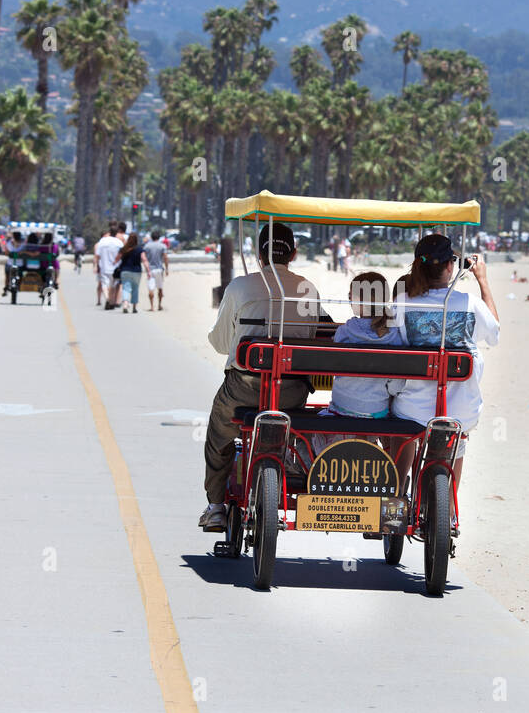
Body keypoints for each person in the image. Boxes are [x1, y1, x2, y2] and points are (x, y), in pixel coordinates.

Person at [200, 223, 322, 532]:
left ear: (258, 255)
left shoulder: (240, 287)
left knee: (219, 434)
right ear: (293, 254)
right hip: (291, 392)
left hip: (244, 388)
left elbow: (220, 343)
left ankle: (216, 506)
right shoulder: (308, 288)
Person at [388, 235, 500, 490]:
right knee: (457, 437)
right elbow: (494, 335)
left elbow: (393, 347)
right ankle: (448, 511)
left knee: (402, 427)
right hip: (460, 410)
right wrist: (483, 281)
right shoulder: (470, 303)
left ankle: (395, 488)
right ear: (450, 267)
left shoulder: (402, 304)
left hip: (413, 410)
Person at [328, 272, 403, 417]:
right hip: (376, 410)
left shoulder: (345, 331)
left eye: (350, 296)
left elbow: (335, 369)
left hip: (342, 406)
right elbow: (396, 385)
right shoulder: (394, 334)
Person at [112, 232, 148, 313]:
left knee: (126, 288)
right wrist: (148, 270)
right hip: (136, 271)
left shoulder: (123, 249)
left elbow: (117, 259)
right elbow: (144, 259)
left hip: (125, 271)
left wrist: (113, 263)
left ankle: (125, 304)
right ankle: (134, 307)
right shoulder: (139, 249)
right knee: (135, 288)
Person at [94, 223, 123, 309]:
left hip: (104, 267)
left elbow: (97, 255)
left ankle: (107, 298)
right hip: (115, 268)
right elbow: (122, 254)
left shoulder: (102, 241)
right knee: (113, 285)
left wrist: (96, 265)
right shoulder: (119, 242)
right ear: (116, 233)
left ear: (109, 232)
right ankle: (112, 301)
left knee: (104, 284)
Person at [143, 229, 170, 311]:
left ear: (151, 237)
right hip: (159, 269)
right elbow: (165, 257)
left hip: (150, 270)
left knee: (151, 288)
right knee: (160, 288)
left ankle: (152, 306)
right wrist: (167, 269)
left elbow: (144, 258)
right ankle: (159, 305)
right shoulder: (162, 246)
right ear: (159, 237)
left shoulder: (147, 246)